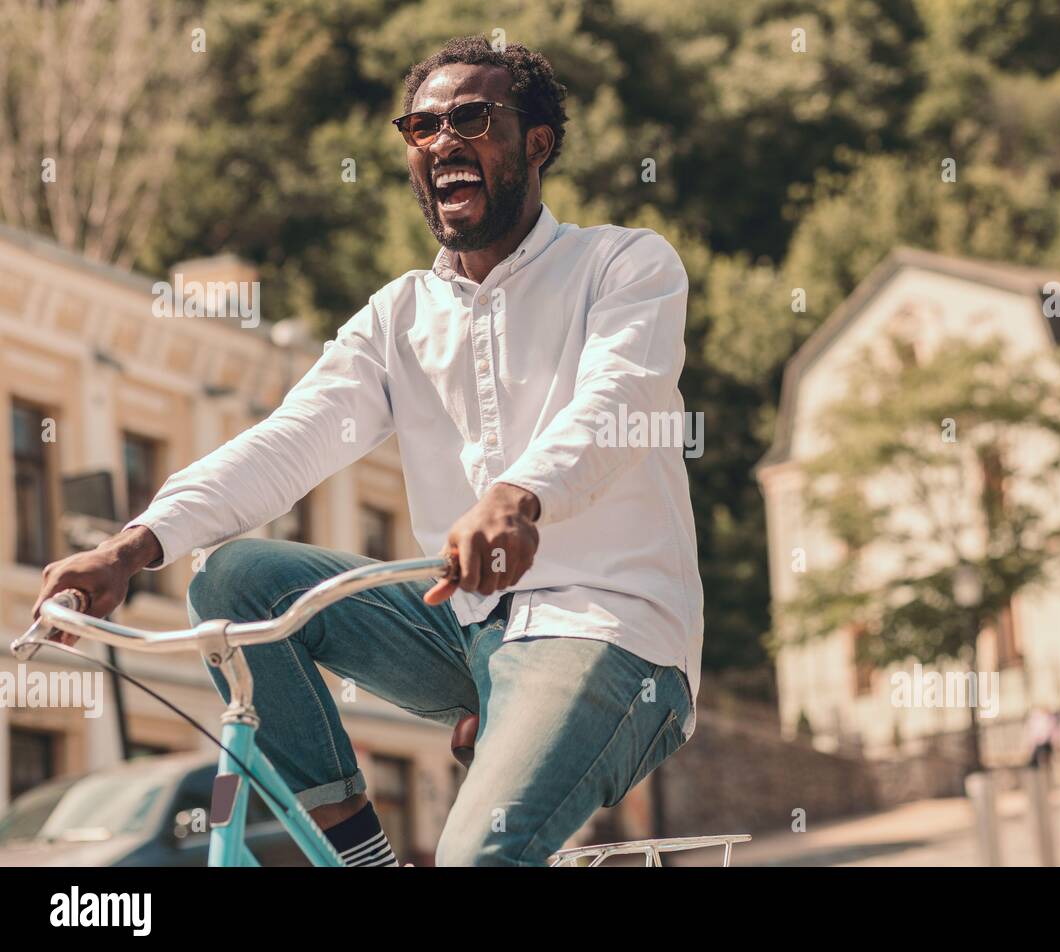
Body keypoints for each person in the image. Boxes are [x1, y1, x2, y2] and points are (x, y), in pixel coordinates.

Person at [32, 35, 703, 867]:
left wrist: (519, 493)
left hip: (610, 631)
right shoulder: (397, 316)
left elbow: (620, 399)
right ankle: (358, 852)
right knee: (231, 578)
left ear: (537, 143)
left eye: (471, 119)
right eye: (422, 127)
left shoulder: (623, 264)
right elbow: (289, 440)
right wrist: (131, 546)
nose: (442, 142)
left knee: (473, 858)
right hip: (460, 632)